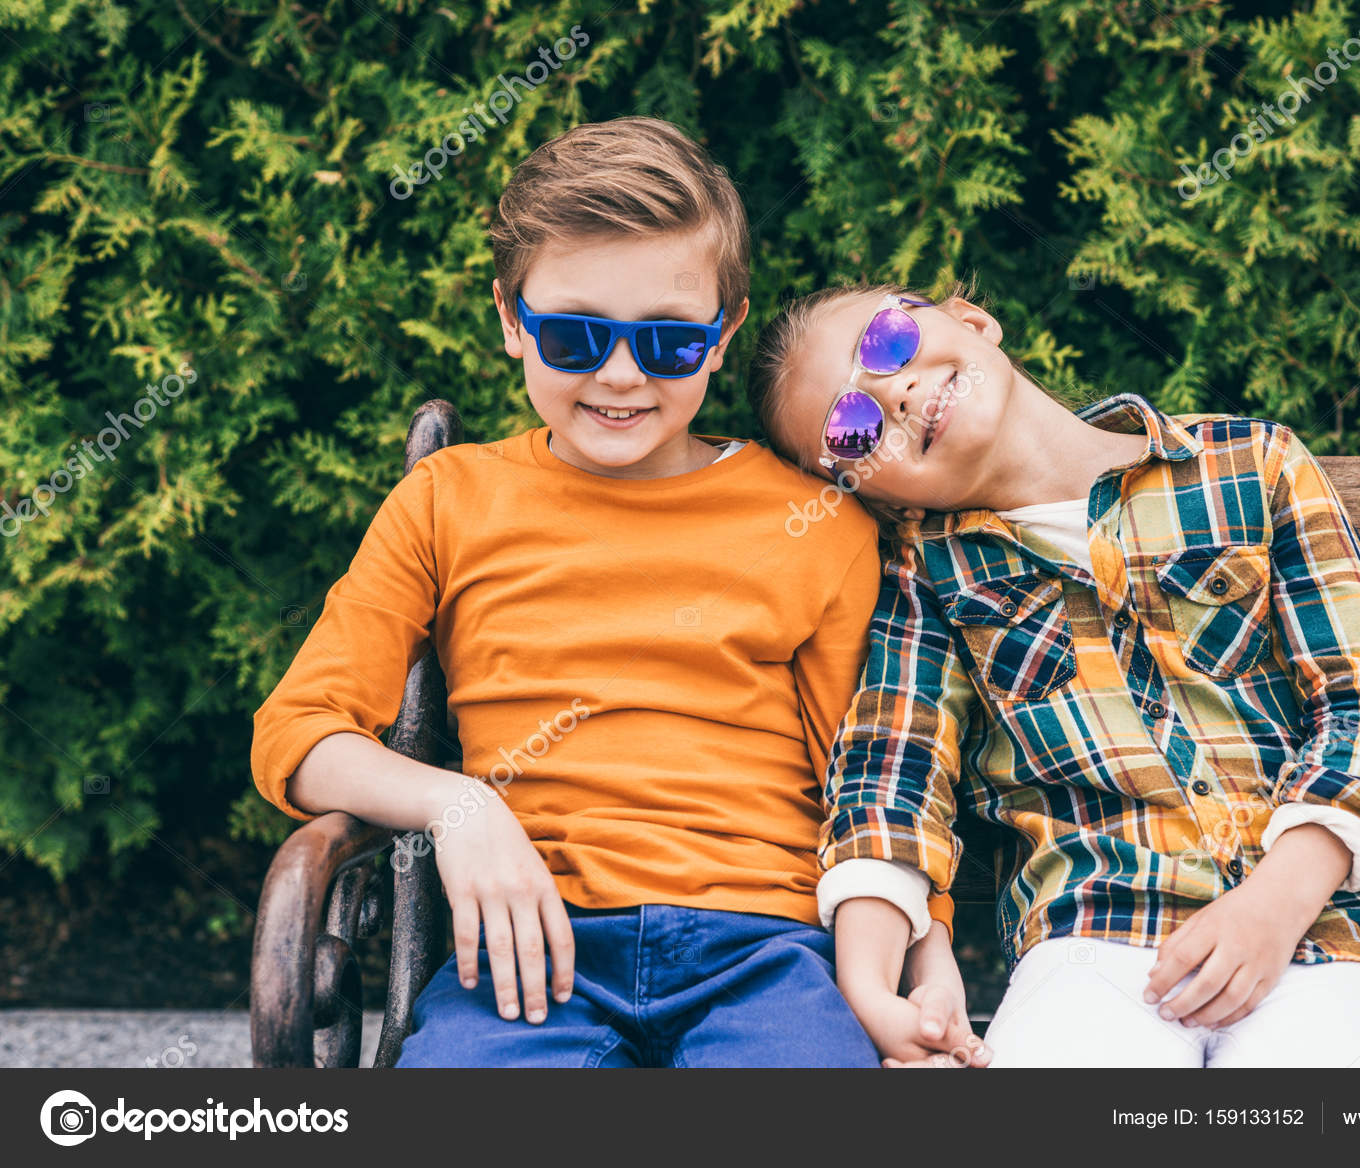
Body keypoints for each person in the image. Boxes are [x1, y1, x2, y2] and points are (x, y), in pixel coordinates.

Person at [250, 121, 973, 1068]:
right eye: (576, 333)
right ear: (512, 319)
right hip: (522, 956)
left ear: (723, 337)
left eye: (670, 341)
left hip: (764, 952)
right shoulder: (450, 500)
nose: (622, 375)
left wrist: (928, 958)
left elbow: (874, 780)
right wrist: (458, 806)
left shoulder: (819, 520)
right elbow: (298, 733)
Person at [745, 280, 1360, 1067]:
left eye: (887, 343)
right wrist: (871, 989)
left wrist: (1279, 901)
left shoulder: (1250, 466)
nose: (891, 394)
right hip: (1090, 944)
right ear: (875, 497)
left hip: (1316, 936)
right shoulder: (930, 574)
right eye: (852, 429)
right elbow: (894, 774)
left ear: (971, 319)